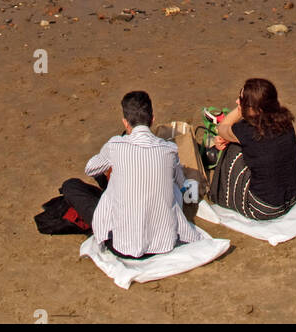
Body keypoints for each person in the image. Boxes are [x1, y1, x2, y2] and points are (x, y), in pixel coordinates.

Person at [58, 90, 200, 259]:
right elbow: (180, 182)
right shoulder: (169, 149)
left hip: (122, 245)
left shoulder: (116, 145)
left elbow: (90, 168)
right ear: (152, 119)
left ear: (125, 123)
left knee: (71, 186)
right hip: (164, 242)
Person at [210, 78, 296, 220]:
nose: (236, 102)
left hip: (263, 208)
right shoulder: (286, 121)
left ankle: (217, 189)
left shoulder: (246, 130)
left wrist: (239, 111)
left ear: (254, 108)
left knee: (232, 148)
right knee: (239, 142)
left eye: (240, 99)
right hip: (292, 197)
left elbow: (222, 128)